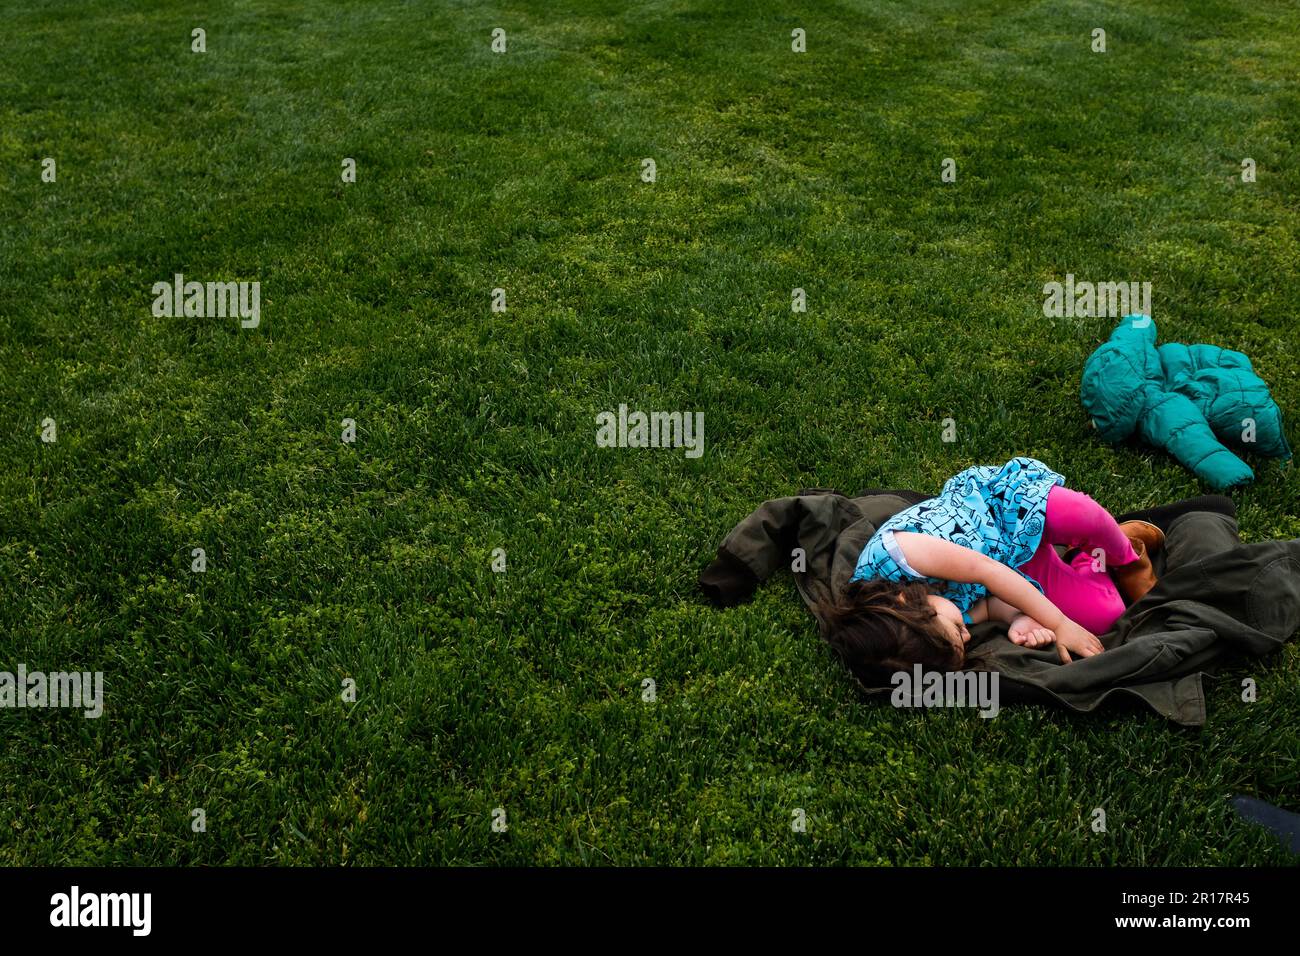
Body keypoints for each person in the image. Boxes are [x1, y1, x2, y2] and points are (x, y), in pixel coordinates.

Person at [820, 457, 1162, 676]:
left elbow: (987, 571)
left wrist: (1058, 623)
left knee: (1082, 514)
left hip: (1004, 512)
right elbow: (989, 604)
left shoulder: (897, 556)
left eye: (958, 631)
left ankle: (1126, 558)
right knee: (1105, 616)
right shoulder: (932, 619)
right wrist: (1017, 618)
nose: (968, 634)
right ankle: (1095, 556)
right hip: (1017, 566)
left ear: (906, 607)